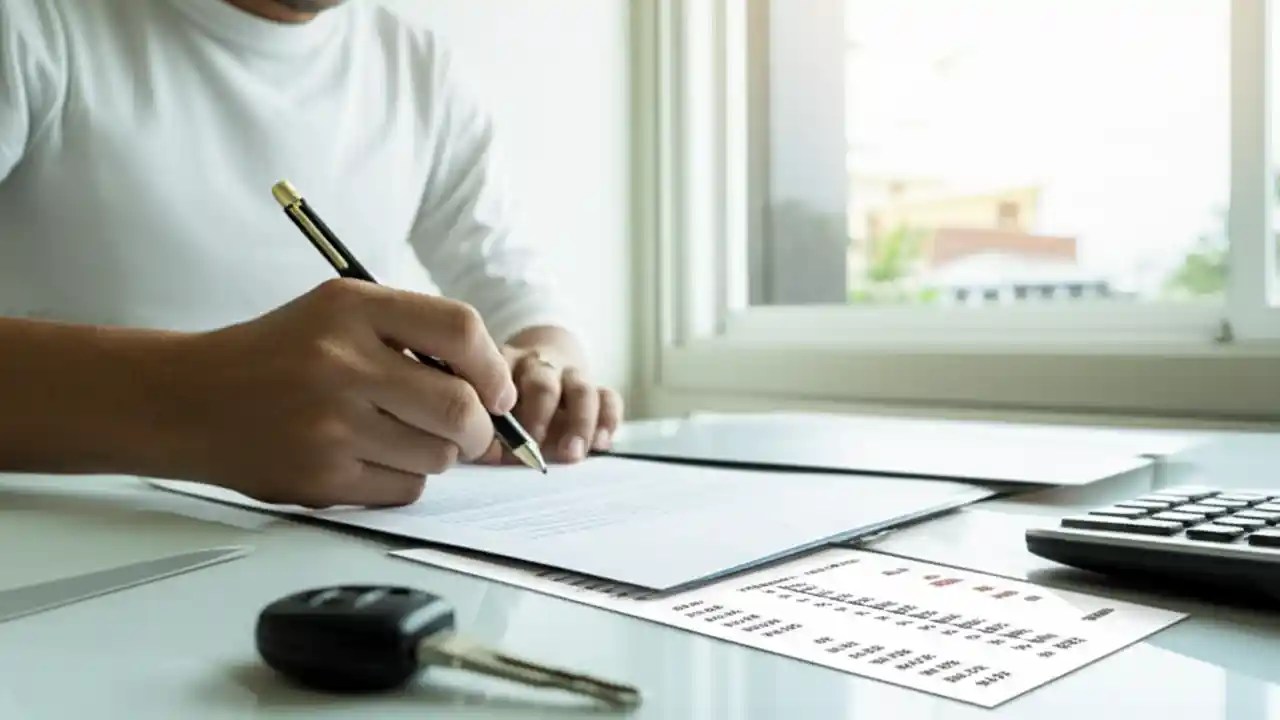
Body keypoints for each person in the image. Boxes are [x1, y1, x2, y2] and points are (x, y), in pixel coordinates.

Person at [0, 0, 622, 508]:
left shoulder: (416, 67)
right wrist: (196, 403)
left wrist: (546, 372)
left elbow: (519, 293)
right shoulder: (34, 22)